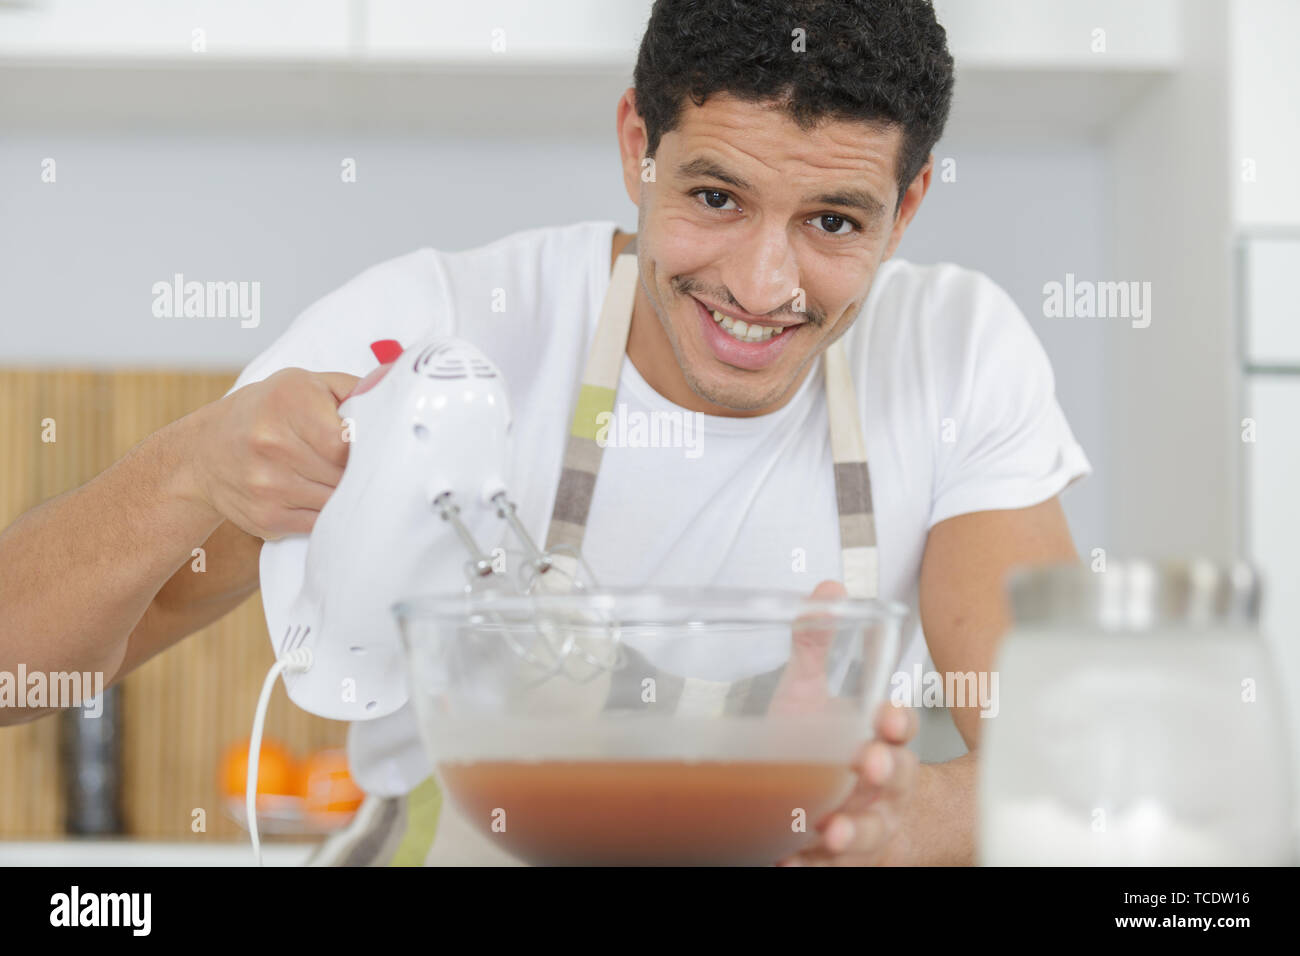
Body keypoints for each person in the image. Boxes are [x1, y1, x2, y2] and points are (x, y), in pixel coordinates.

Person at [0, 0, 1088, 865]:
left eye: (833, 222)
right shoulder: (435, 341)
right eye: (714, 197)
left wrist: (906, 824)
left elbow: (1064, 764)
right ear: (637, 145)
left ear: (906, 208)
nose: (762, 285)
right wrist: (190, 469)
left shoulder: (955, 351)